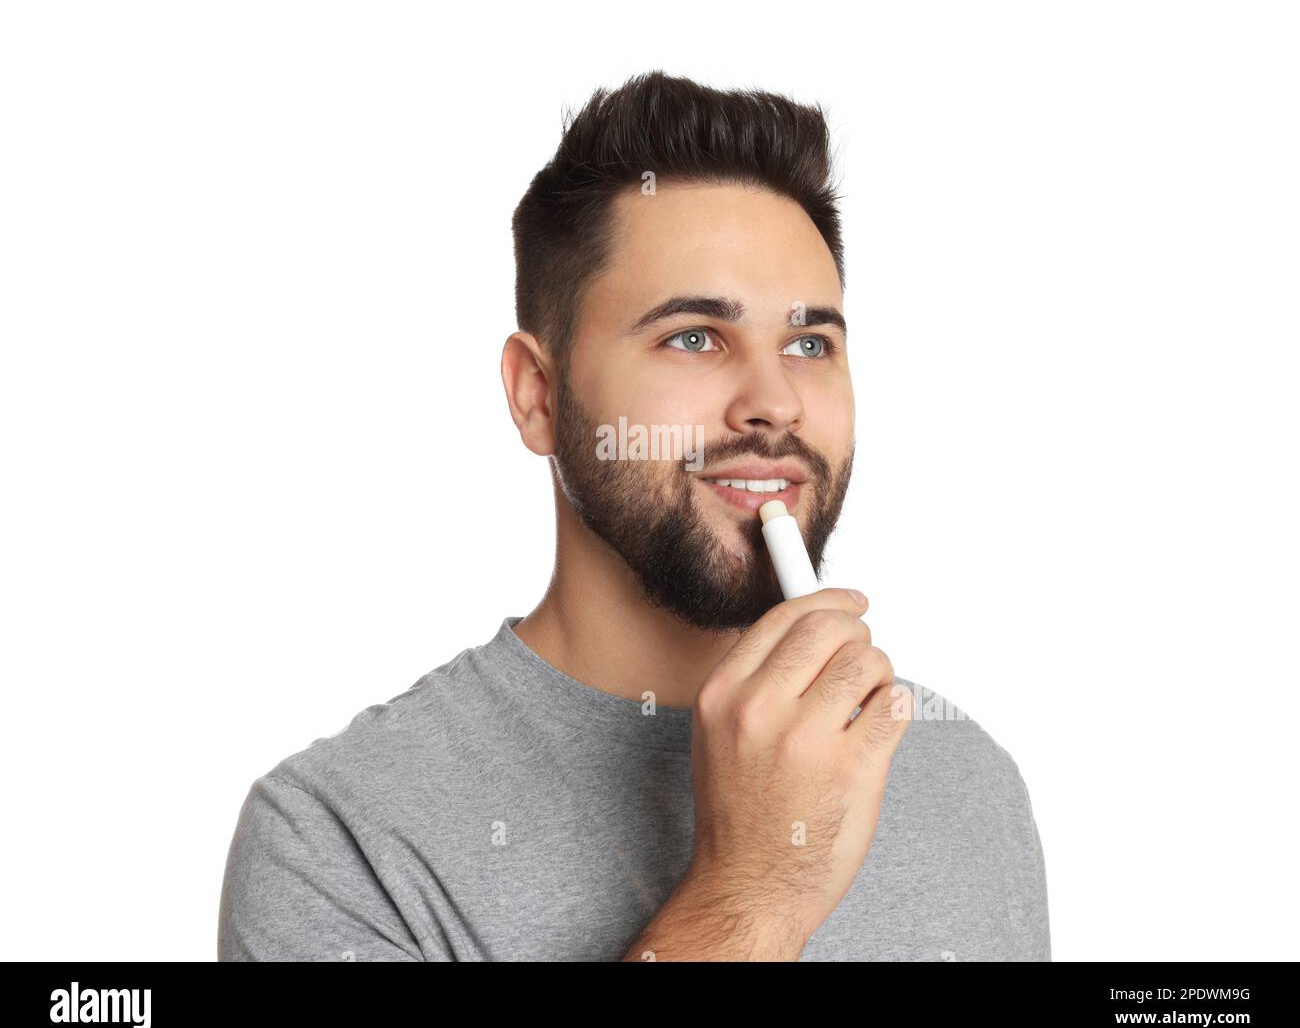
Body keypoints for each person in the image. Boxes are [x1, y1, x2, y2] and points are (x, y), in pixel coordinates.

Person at [218, 71, 1050, 961]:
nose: (774, 404)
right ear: (538, 395)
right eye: (694, 336)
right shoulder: (340, 841)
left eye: (810, 344)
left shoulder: (968, 784)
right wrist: (756, 891)